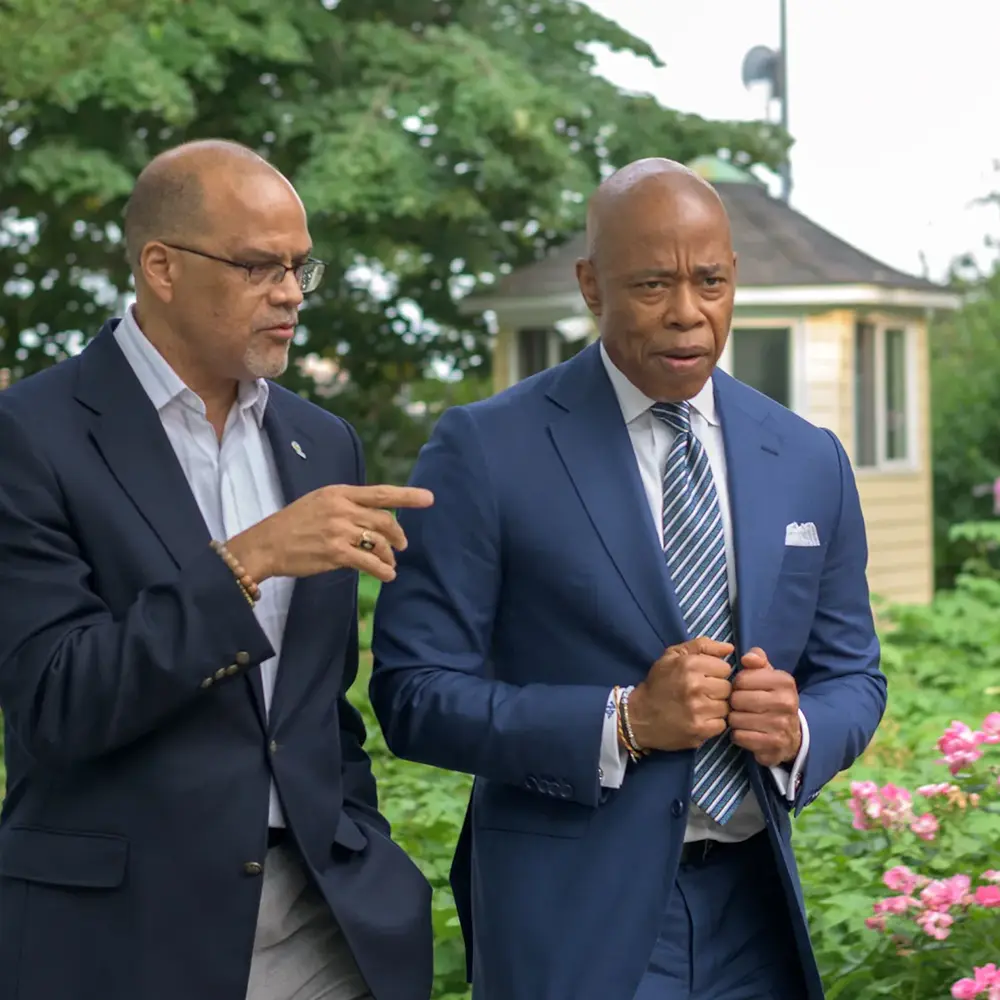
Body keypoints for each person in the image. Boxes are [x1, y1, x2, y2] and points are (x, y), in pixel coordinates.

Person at [369, 158, 887, 999]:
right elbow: (413, 694)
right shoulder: (487, 450)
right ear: (589, 284)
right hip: (570, 918)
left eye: (710, 281)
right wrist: (623, 722)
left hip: (755, 912)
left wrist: (798, 732)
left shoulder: (807, 458)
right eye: (651, 284)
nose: (688, 313)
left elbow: (854, 675)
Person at [0, 139, 435, 1000]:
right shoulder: (31, 434)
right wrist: (250, 560)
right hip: (123, 933)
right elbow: (54, 702)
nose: (288, 294)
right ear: (160, 267)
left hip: (323, 918)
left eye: (300, 268)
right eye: (258, 267)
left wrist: (358, 836)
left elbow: (319, 704)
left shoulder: (322, 439)